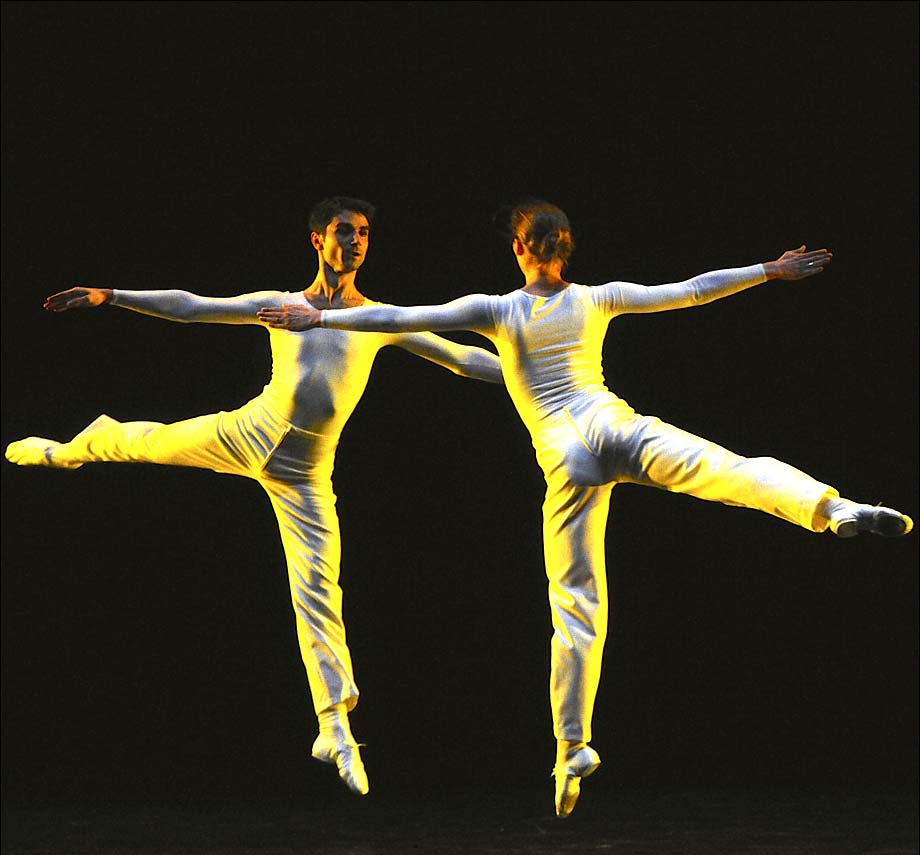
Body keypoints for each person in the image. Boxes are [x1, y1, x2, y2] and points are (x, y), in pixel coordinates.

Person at [254, 198, 914, 817]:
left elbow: (399, 318)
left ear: (519, 249)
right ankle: (834, 508)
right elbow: (689, 289)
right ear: (565, 250)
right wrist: (769, 270)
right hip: (620, 427)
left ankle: (573, 750)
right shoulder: (598, 298)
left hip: (567, 461)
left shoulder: (497, 308)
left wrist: (323, 318)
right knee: (729, 469)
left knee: (576, 607)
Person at [4, 196, 504, 798]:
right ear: (317, 240)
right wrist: (114, 296)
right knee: (154, 443)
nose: (356, 242)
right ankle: (67, 450)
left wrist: (539, 374)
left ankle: (334, 728)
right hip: (251, 432)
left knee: (318, 589)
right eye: (344, 232)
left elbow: (464, 360)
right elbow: (194, 308)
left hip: (305, 473)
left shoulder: (379, 318)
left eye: (365, 233)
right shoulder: (283, 307)